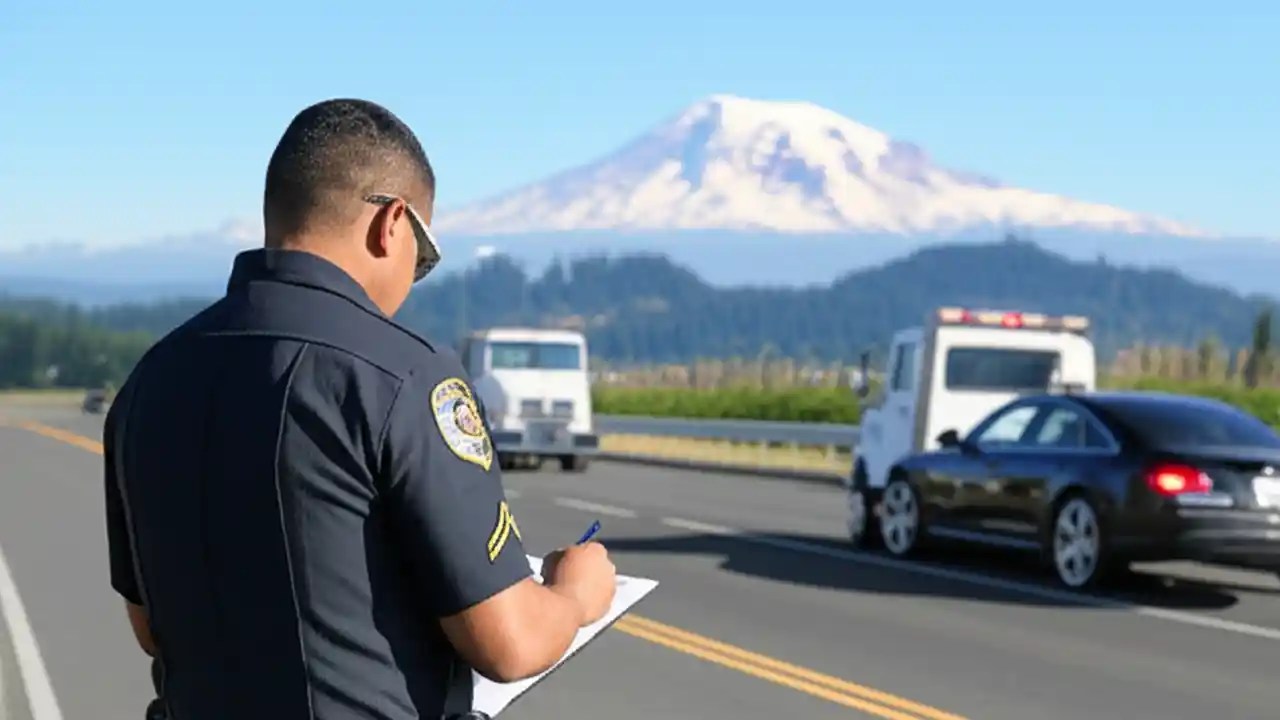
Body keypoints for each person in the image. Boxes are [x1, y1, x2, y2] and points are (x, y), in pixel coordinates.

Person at [102, 98, 617, 720]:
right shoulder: (404, 377)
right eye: (423, 259)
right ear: (392, 225)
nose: (413, 276)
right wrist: (576, 595)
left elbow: (151, 627)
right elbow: (512, 643)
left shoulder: (149, 381)